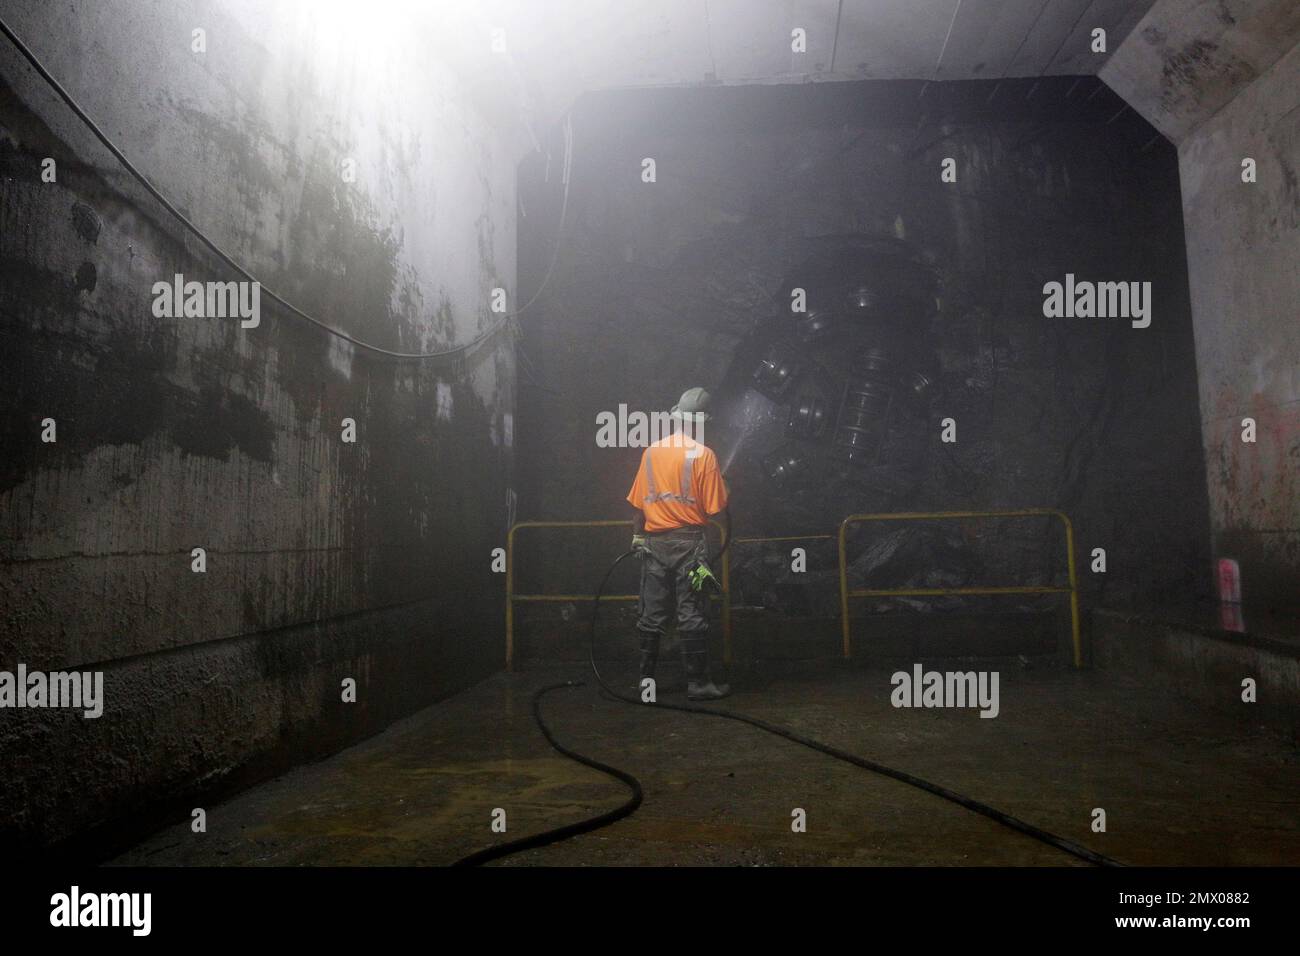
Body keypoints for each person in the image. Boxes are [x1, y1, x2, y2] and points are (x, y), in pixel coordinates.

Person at [626, 387, 731, 700]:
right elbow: (715, 508)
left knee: (651, 614)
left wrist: (637, 535)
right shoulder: (705, 455)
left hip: (653, 542)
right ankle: (698, 684)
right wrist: (725, 487)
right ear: (702, 423)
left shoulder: (651, 452)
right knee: (692, 612)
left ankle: (646, 684)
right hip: (689, 543)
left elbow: (637, 504)